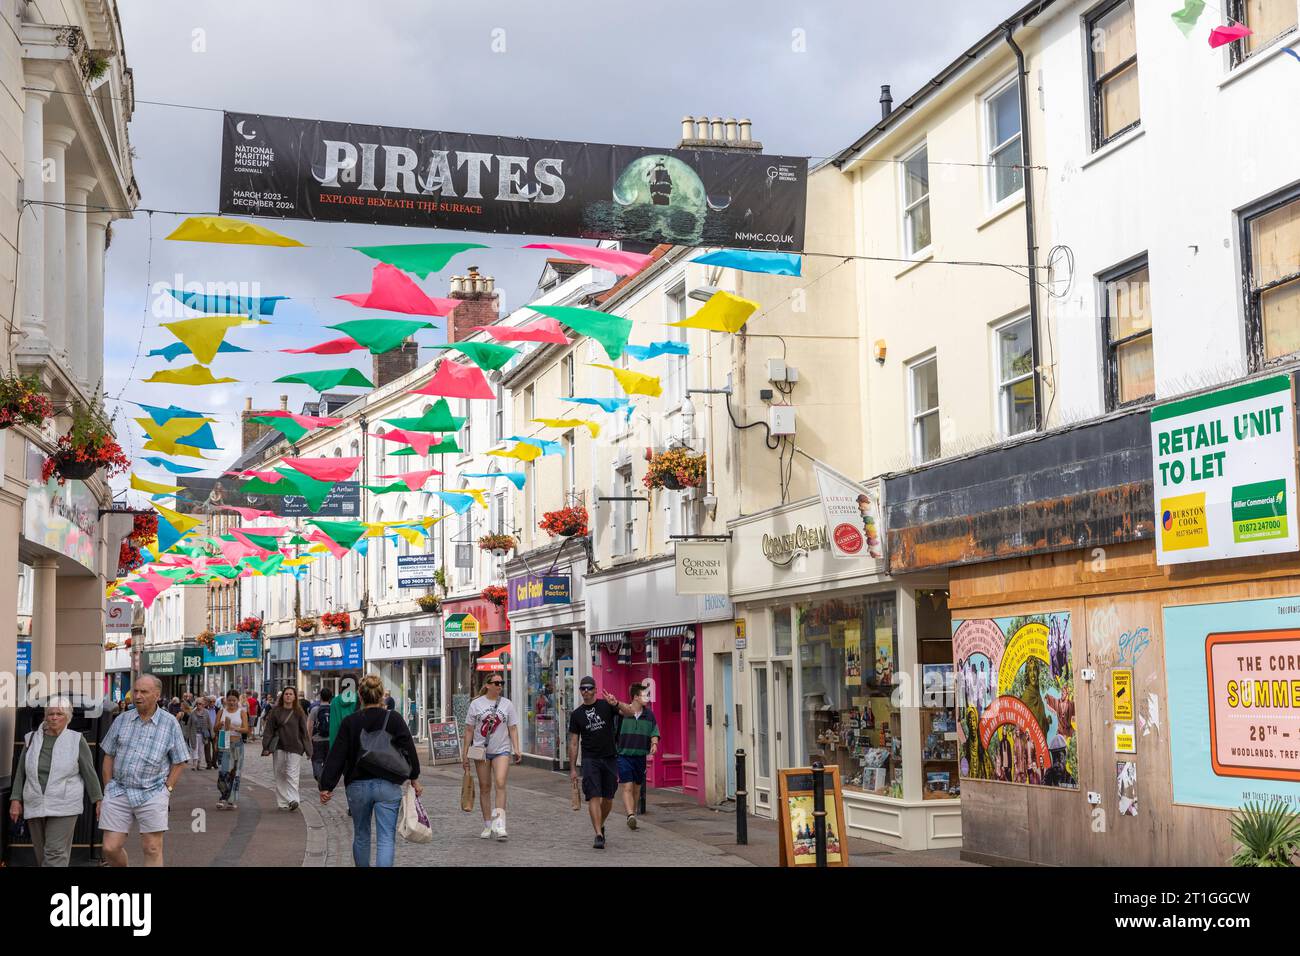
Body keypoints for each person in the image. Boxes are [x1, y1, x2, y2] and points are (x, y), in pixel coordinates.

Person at [319, 675, 422, 867]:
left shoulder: (350, 721)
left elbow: (337, 755)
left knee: (361, 835)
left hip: (357, 785)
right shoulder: (394, 719)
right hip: (388, 785)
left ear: (360, 695)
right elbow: (409, 748)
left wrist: (327, 785)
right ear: (382, 695)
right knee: (385, 838)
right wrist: (414, 777)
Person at [99, 675, 190, 867]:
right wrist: (108, 787)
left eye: (144, 692)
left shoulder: (169, 723)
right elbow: (109, 755)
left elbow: (180, 761)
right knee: (110, 847)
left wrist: (167, 790)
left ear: (157, 695)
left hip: (153, 792)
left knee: (152, 848)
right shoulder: (122, 720)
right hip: (119, 791)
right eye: (136, 691)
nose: (137, 696)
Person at [8, 698, 103, 867]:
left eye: (59, 714)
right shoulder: (31, 739)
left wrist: (98, 800)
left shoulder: (76, 740)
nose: (54, 717)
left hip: (64, 803)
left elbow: (89, 771)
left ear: (67, 717)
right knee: (42, 852)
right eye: (50, 713)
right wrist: (16, 800)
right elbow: (21, 772)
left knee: (55, 852)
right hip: (35, 801)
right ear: (45, 716)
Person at [567, 676, 630, 850]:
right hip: (590, 759)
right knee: (594, 796)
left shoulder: (605, 706)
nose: (585, 691)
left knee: (608, 798)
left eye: (588, 688)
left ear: (595, 689)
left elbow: (630, 712)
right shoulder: (577, 714)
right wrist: (572, 768)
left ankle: (600, 823)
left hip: (609, 757)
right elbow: (573, 742)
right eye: (582, 688)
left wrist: (616, 703)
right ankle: (598, 834)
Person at [461, 674, 521, 840]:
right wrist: (465, 753)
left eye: (501, 683)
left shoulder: (507, 704)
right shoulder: (476, 704)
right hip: (481, 751)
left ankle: (500, 824)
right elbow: (469, 730)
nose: (500, 685)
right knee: (485, 787)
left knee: (500, 783)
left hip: (502, 750)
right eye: (496, 683)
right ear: (487, 685)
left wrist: (516, 748)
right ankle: (488, 825)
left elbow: (513, 728)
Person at [615, 682, 660, 830]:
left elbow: (654, 731)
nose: (647, 697)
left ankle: (632, 813)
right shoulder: (623, 713)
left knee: (636, 788)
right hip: (624, 755)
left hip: (640, 756)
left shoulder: (649, 715)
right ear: (635, 697)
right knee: (627, 786)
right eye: (644, 695)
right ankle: (630, 815)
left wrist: (654, 744)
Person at [262, 686, 312, 811]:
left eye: (291, 694)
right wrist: (266, 746)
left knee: (292, 774)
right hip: (279, 746)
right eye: (286, 694)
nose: (288, 696)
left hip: (295, 747)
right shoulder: (275, 711)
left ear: (295, 697)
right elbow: (269, 730)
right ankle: (283, 801)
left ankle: (293, 799)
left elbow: (304, 732)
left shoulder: (299, 712)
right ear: (282, 696)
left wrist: (308, 749)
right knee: (280, 773)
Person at [214, 690, 250, 810]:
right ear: (226, 700)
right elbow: (215, 728)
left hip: (237, 743)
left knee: (235, 772)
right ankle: (223, 797)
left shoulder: (242, 712)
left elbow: (246, 730)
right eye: (229, 700)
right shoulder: (221, 711)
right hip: (224, 742)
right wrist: (220, 725)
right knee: (223, 772)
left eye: (234, 700)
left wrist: (235, 728)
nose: (231, 702)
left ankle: (231, 799)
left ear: (237, 701)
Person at [307, 686, 333, 785]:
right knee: (327, 762)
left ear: (320, 697)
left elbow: (309, 726)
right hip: (330, 739)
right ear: (330, 697)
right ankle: (325, 780)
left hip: (317, 739)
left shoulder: (315, 709)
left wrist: (309, 740)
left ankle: (320, 779)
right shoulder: (333, 709)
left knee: (317, 761)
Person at [203, 696, 219, 769]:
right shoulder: (204, 709)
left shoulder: (218, 709)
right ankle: (209, 763)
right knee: (207, 747)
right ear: (208, 702)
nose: (212, 703)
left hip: (215, 730)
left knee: (215, 748)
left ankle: (214, 762)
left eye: (213, 701)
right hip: (207, 730)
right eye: (210, 701)